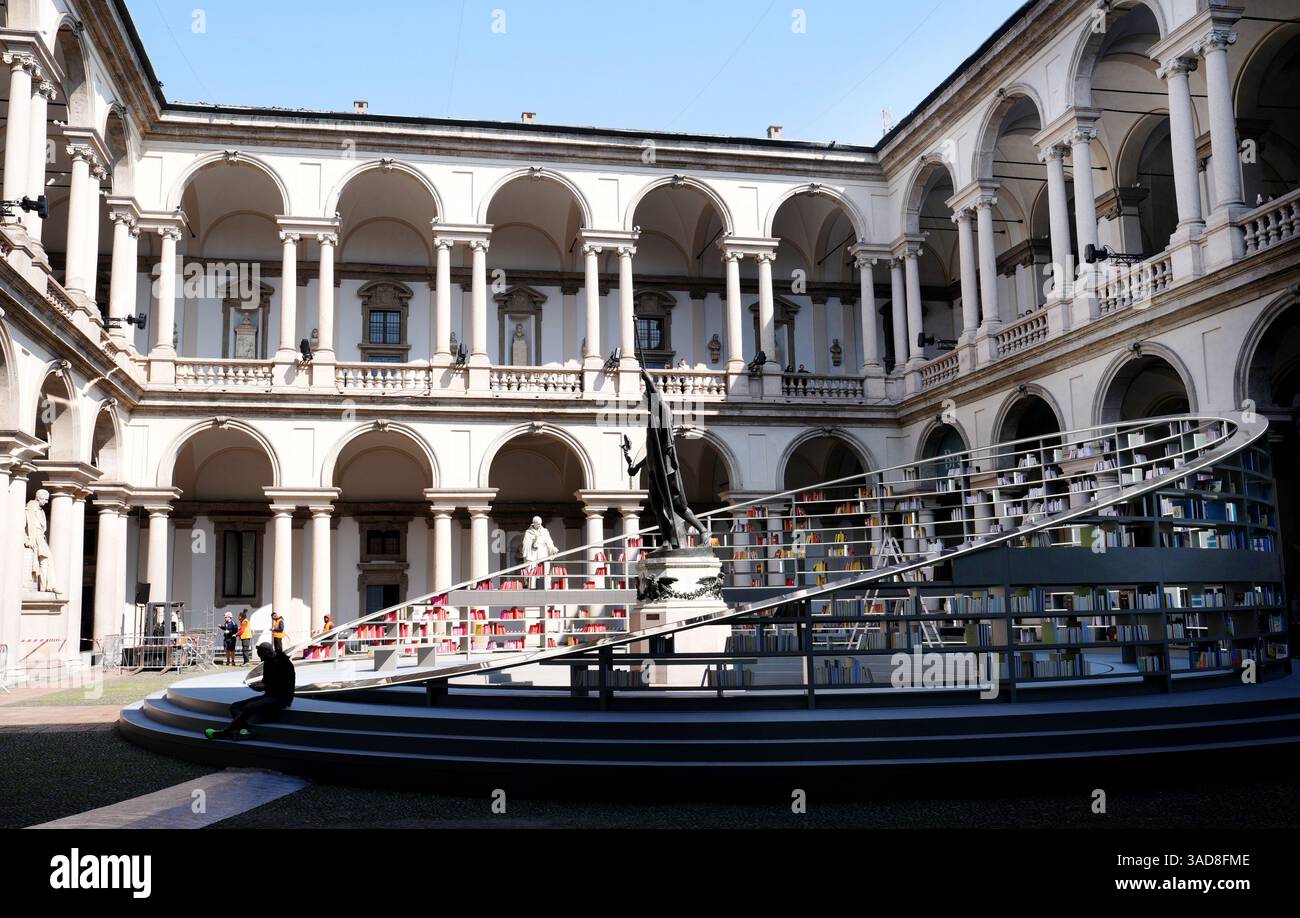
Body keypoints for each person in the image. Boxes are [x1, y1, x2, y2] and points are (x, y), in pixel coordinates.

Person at [205, 643, 295, 741]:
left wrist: (265, 686)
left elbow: (284, 686)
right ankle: (246, 730)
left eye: (261, 655)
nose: (260, 658)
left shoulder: (284, 663)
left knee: (250, 707)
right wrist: (260, 685)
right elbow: (267, 681)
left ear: (266, 652)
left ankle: (224, 732)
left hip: (281, 698)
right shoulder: (268, 662)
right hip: (270, 695)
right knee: (235, 706)